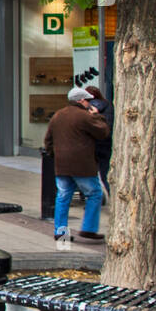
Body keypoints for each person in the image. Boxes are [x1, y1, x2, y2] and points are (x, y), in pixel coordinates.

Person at [44, 86, 111, 250]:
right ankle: (88, 229)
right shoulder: (84, 116)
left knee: (63, 197)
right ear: (81, 100)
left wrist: (56, 155)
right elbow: (103, 132)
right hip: (83, 165)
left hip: (62, 165)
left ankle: (61, 234)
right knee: (94, 193)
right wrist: (98, 116)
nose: (90, 104)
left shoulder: (58, 115)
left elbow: (48, 141)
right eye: (88, 100)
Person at [85, 85, 114, 199]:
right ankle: (112, 197)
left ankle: (96, 197)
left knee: (90, 174)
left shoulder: (90, 109)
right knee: (105, 173)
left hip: (94, 144)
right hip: (106, 143)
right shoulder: (108, 106)